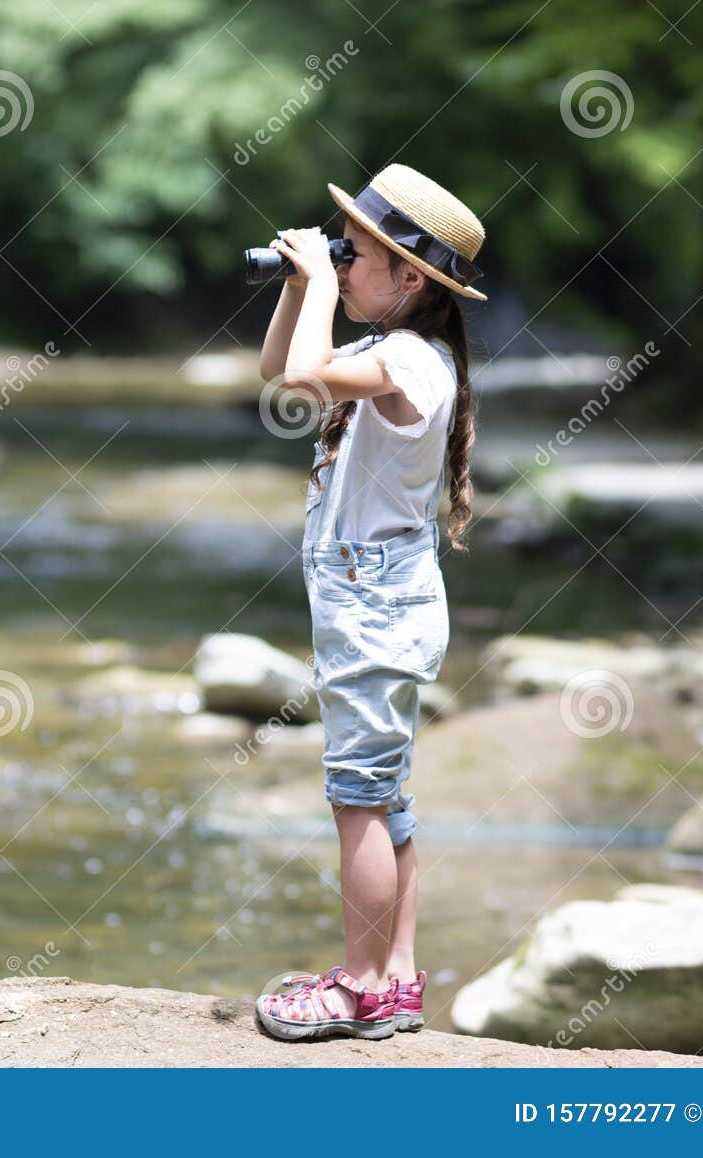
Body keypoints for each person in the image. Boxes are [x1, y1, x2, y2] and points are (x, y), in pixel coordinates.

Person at [252, 162, 486, 1042]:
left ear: (411, 278)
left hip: (375, 602)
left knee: (357, 796)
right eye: (342, 253)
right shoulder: (389, 348)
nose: (344, 266)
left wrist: (313, 276)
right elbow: (287, 372)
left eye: (358, 255)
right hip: (372, 597)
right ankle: (396, 979)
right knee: (386, 799)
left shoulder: (413, 362)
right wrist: (299, 285)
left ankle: (358, 987)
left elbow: (311, 365)